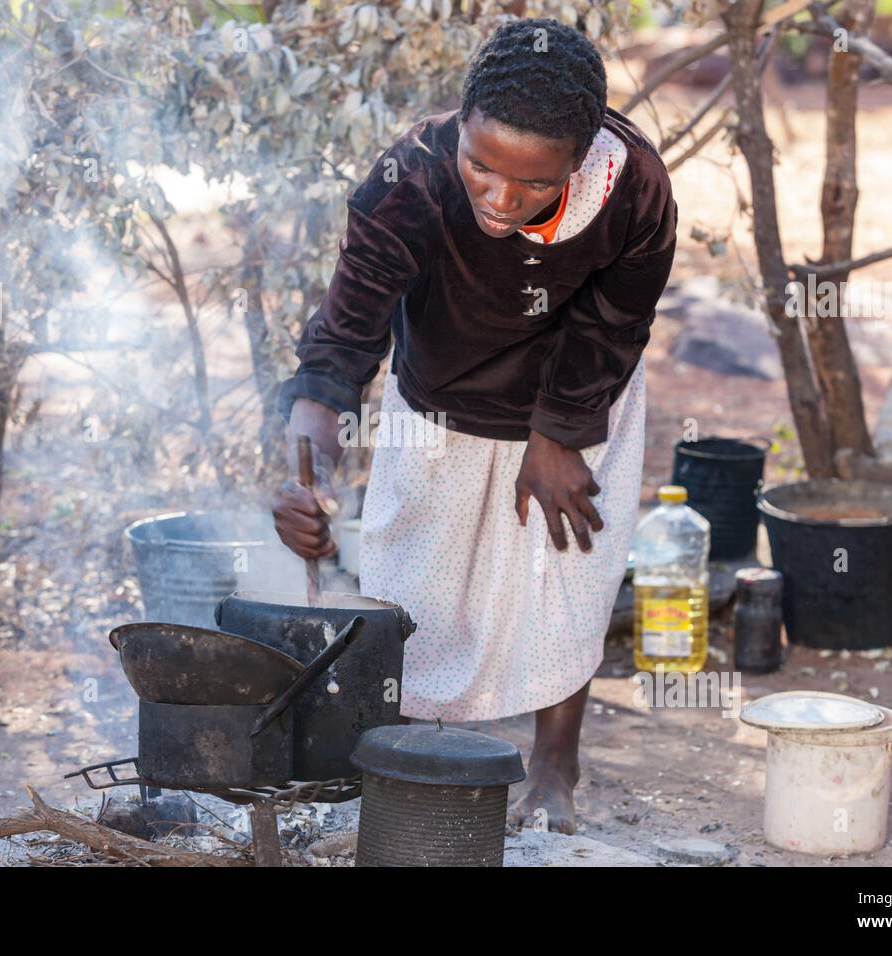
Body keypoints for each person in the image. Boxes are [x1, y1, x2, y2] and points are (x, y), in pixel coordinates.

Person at [271, 17, 678, 833]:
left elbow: (613, 324)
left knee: (565, 567)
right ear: (460, 124)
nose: (500, 199)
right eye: (481, 167)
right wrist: (303, 463)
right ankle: (406, 753)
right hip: (443, 398)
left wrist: (559, 435)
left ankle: (555, 764)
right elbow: (346, 334)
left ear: (579, 156)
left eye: (533, 185)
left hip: (578, 393)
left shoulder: (631, 186)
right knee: (412, 571)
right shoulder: (406, 181)